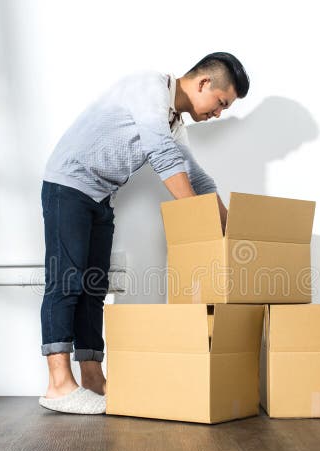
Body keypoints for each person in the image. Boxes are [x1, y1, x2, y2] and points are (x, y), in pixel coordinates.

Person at [38, 52, 250, 414]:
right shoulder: (149, 87)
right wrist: (197, 218)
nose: (218, 113)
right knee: (66, 281)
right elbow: (161, 153)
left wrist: (232, 226)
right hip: (68, 186)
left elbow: (197, 177)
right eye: (221, 103)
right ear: (203, 83)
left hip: (101, 196)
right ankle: (58, 385)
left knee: (93, 287)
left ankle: (92, 379)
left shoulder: (173, 122)